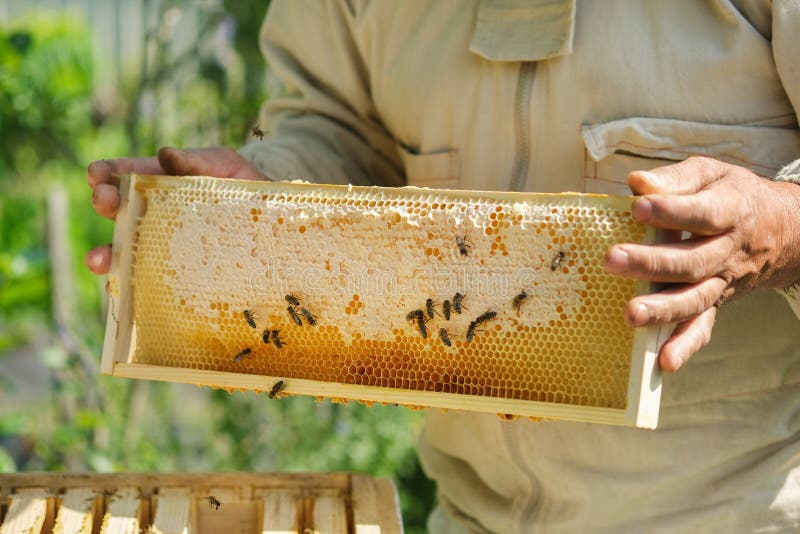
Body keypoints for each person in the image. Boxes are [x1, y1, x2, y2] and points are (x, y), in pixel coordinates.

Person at [87, 1, 800, 531]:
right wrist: (264, 189)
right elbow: (334, 126)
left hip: (737, 510)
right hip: (469, 512)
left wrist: (779, 224)